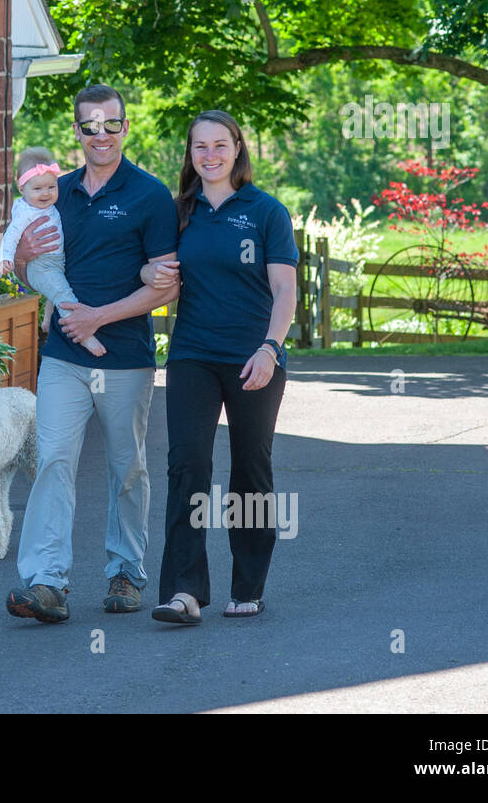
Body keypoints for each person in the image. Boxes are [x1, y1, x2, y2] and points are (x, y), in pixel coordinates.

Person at [5, 84, 180, 623]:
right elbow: (32, 265)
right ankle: (46, 582)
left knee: (127, 468)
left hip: (125, 355)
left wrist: (97, 318)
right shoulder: (54, 192)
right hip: (63, 356)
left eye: (110, 125)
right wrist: (19, 259)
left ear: (125, 127)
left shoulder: (150, 196)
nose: (99, 135)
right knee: (54, 460)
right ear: (76, 131)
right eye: (89, 126)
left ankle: (125, 572)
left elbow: (166, 284)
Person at [144, 110, 298, 625]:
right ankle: (183, 591)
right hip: (191, 355)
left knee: (250, 471)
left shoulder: (266, 211)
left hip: (255, 357)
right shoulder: (178, 212)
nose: (209, 155)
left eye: (219, 145)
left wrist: (270, 348)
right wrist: (148, 267)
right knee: (188, 465)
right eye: (199, 147)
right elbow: (153, 267)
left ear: (238, 148)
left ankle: (248, 585)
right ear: (189, 155)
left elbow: (284, 289)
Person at [0, 146, 106, 357]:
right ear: (22, 190)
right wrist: (5, 258)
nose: (45, 193)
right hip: (41, 265)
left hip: (56, 261)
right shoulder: (25, 212)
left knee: (58, 286)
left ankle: (47, 320)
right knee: (63, 294)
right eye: (37, 189)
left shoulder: (43, 206)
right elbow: (10, 235)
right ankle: (83, 337)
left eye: (51, 187)